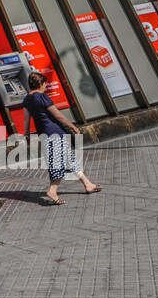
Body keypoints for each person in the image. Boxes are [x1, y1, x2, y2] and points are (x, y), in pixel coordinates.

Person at [21, 71, 101, 204]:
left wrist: (27, 134)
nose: (45, 86)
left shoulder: (27, 99)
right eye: (45, 83)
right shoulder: (42, 97)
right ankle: (52, 191)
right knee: (57, 163)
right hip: (55, 133)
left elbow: (26, 119)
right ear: (41, 83)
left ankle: (88, 184)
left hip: (44, 134)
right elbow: (58, 115)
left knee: (70, 159)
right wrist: (72, 126)